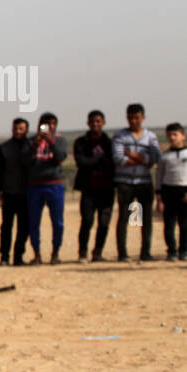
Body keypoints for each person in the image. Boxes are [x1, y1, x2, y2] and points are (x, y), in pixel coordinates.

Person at [112, 103, 160, 262]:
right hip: (124, 182)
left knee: (146, 218)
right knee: (123, 217)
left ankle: (145, 252)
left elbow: (153, 158)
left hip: (144, 182)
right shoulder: (120, 136)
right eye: (130, 117)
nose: (133, 121)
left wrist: (129, 153)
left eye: (137, 117)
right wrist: (141, 159)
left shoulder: (151, 137)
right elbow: (118, 159)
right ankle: (122, 253)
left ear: (143, 118)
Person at [73, 111, 115, 263]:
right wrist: (99, 161)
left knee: (104, 222)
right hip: (88, 189)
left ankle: (98, 252)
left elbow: (112, 163)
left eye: (98, 121)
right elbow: (81, 162)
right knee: (87, 221)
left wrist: (92, 161)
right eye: (92, 121)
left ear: (103, 122)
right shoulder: (81, 142)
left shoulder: (109, 143)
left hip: (107, 189)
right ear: (88, 123)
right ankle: (82, 252)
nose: (95, 124)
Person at [25, 113, 67, 265]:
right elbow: (24, 161)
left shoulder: (60, 140)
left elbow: (61, 157)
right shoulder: (31, 141)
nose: (49, 127)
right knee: (34, 221)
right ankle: (36, 254)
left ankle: (55, 253)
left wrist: (51, 141)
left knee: (57, 222)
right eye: (45, 124)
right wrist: (35, 144)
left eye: (52, 124)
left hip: (54, 184)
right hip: (34, 186)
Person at [0, 118, 31, 266]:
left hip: (26, 194)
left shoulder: (31, 147)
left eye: (21, 129)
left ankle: (18, 256)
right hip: (9, 193)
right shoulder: (4, 148)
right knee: (6, 226)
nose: (18, 132)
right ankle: (4, 257)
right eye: (16, 129)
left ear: (26, 130)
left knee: (24, 227)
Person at [156, 122, 187, 261]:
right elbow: (159, 176)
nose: (172, 137)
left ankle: (184, 251)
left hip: (184, 190)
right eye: (169, 135)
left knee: (184, 224)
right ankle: (171, 251)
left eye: (175, 134)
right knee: (169, 224)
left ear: (183, 136)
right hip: (168, 191)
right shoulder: (164, 156)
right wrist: (159, 197)